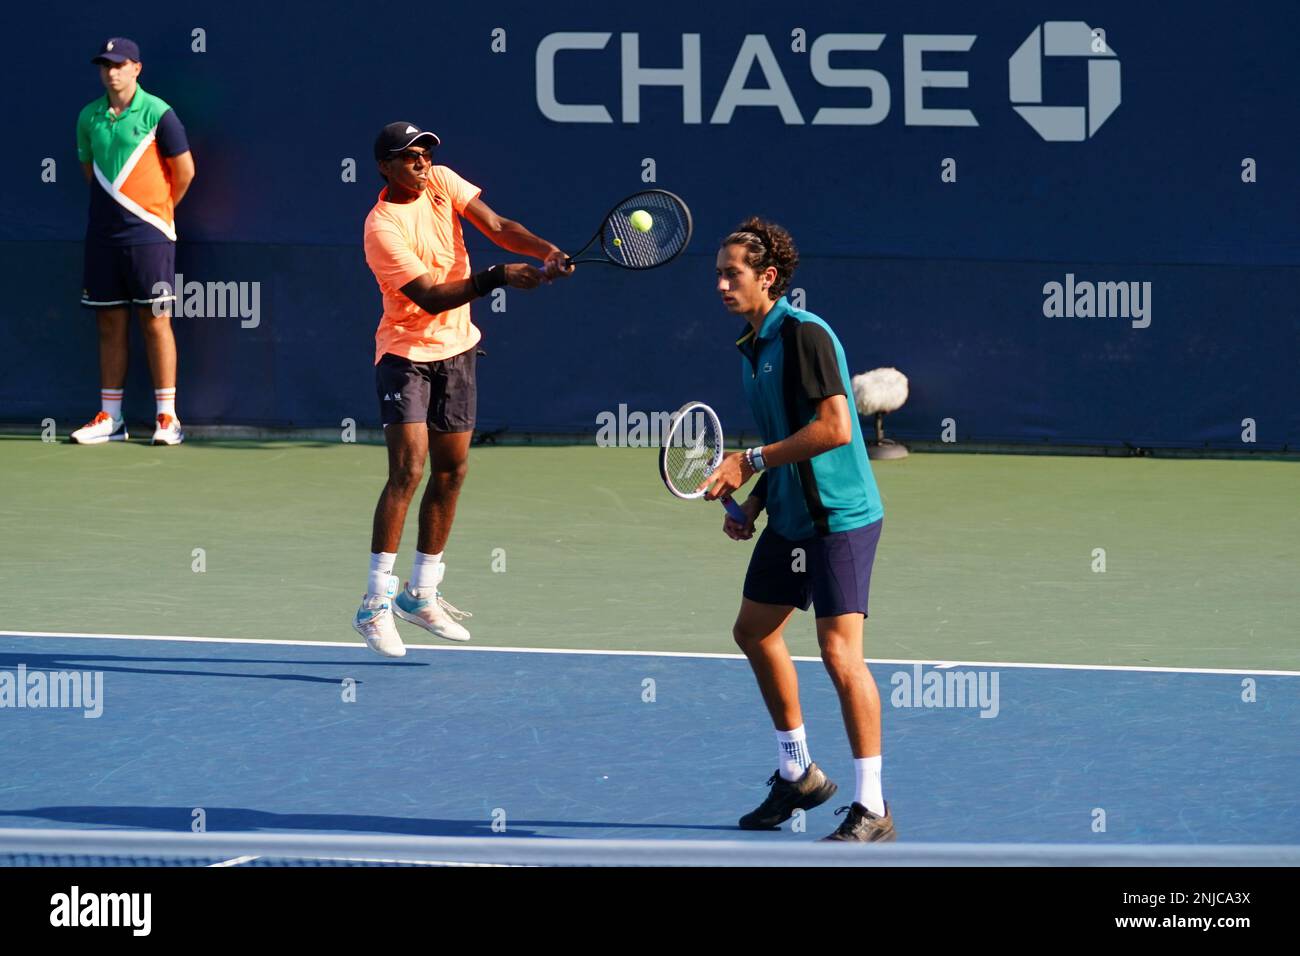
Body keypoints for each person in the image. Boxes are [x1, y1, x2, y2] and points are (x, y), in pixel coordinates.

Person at [701, 217, 894, 842]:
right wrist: (757, 502)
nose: (723, 284)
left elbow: (836, 429)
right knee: (753, 631)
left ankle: (873, 807)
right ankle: (799, 773)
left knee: (840, 654)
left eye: (734, 274)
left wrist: (749, 461)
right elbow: (787, 436)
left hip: (838, 519)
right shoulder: (750, 346)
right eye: (719, 274)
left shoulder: (806, 336)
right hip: (788, 519)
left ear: (769, 277)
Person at [354, 122, 572, 657]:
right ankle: (374, 604)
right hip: (406, 355)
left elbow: (497, 224)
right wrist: (497, 277)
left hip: (458, 351)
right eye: (409, 156)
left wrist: (545, 251)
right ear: (385, 166)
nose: (421, 161)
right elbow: (428, 297)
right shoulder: (381, 226)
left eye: (425, 151)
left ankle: (421, 593)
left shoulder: (443, 181)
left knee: (451, 471)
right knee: (408, 470)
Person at [72, 38, 195, 446]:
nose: (112, 72)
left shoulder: (159, 113)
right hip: (103, 237)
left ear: (136, 68)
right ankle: (112, 417)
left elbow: (185, 172)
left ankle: (167, 418)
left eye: (120, 64)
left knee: (155, 320)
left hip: (151, 236)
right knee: (108, 322)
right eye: (105, 65)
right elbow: (91, 173)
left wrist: (158, 214)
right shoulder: (88, 117)